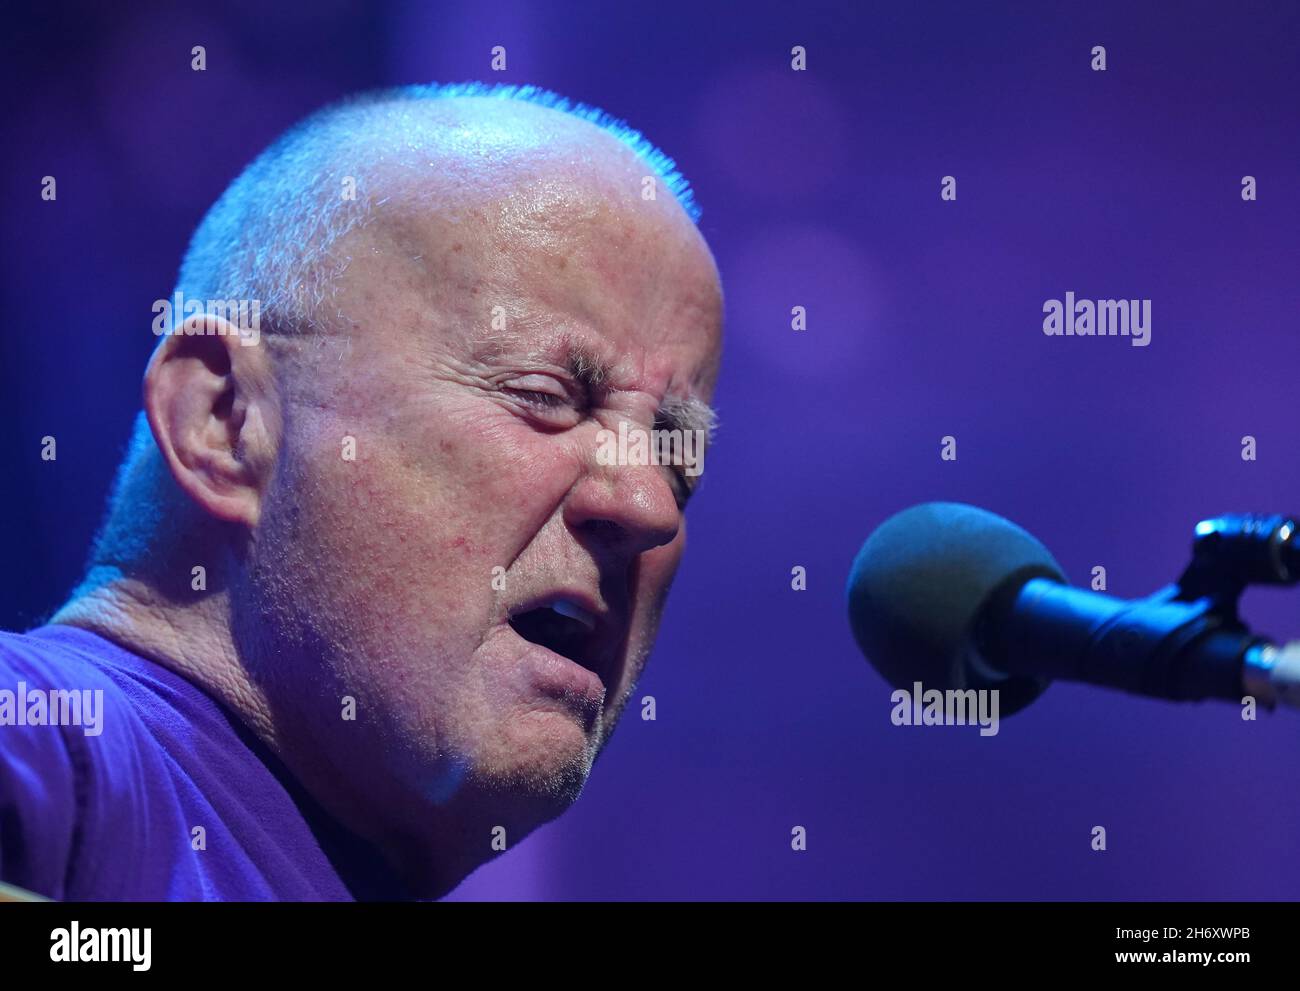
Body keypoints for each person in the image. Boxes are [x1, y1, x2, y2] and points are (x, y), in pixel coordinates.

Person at [0, 83, 724, 900]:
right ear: (224, 423)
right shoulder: (44, 740)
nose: (648, 506)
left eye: (677, 453)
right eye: (544, 395)